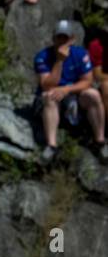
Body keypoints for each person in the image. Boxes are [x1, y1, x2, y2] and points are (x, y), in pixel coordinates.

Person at [34, 20, 108, 165]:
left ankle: (100, 142)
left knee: (93, 94)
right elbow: (47, 85)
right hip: (52, 97)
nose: (62, 41)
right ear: (53, 38)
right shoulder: (42, 56)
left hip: (73, 94)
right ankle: (51, 146)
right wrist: (60, 61)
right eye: (59, 37)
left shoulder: (80, 54)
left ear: (71, 39)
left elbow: (87, 81)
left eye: (65, 38)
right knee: (49, 97)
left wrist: (66, 89)